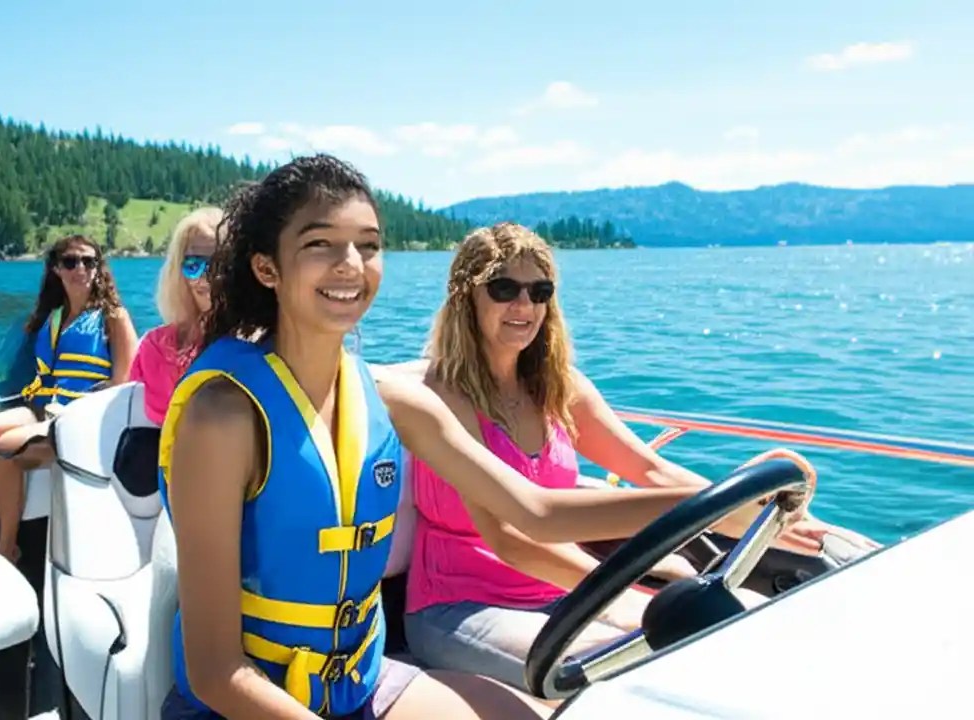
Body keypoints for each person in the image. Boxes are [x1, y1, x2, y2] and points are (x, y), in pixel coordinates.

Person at [156, 155, 780, 720]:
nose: (351, 267)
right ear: (267, 267)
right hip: (241, 701)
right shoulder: (223, 417)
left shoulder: (394, 401)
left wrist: (715, 506)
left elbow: (534, 511)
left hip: (356, 680)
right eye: (321, 245)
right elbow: (216, 674)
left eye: (368, 246)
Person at [400, 222, 883, 692]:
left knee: (744, 621)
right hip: (460, 606)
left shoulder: (557, 388)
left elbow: (650, 469)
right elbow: (512, 538)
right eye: (504, 288)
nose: (524, 304)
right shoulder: (441, 398)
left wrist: (746, 514)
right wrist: (617, 594)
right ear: (467, 298)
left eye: (539, 290)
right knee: (646, 668)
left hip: (559, 591)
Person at [0, 234, 139, 561]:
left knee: (7, 448)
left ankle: (7, 548)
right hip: (44, 408)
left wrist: (82, 408)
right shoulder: (54, 318)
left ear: (98, 268)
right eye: (70, 262)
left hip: (80, 419)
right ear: (56, 270)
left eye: (89, 261)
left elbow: (125, 381)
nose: (81, 268)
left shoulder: (113, 317)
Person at [129, 206, 224, 425]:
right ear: (177, 271)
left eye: (216, 265)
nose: (204, 277)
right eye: (192, 265)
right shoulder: (156, 348)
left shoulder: (260, 342)